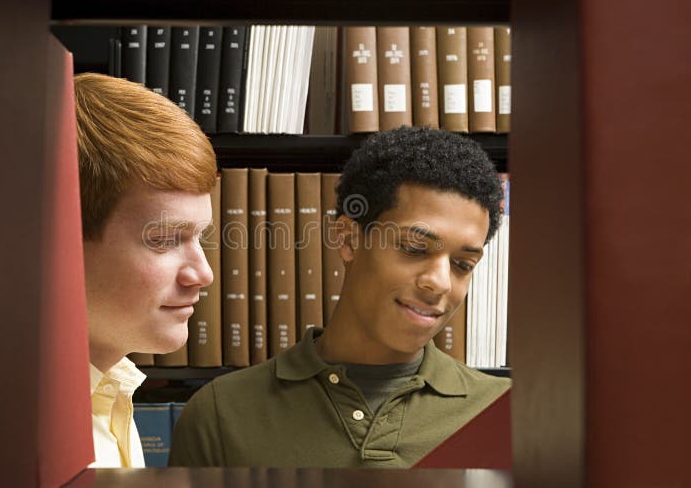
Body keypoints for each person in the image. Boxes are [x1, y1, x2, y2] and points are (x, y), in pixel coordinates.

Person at [169, 127, 511, 468]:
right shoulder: (219, 415)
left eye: (463, 265)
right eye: (414, 248)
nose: (440, 283)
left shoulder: (508, 418)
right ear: (348, 239)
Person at [75, 73, 217, 467]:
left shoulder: (110, 392)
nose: (203, 274)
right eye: (166, 239)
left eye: (199, 236)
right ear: (61, 244)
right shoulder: (8, 435)